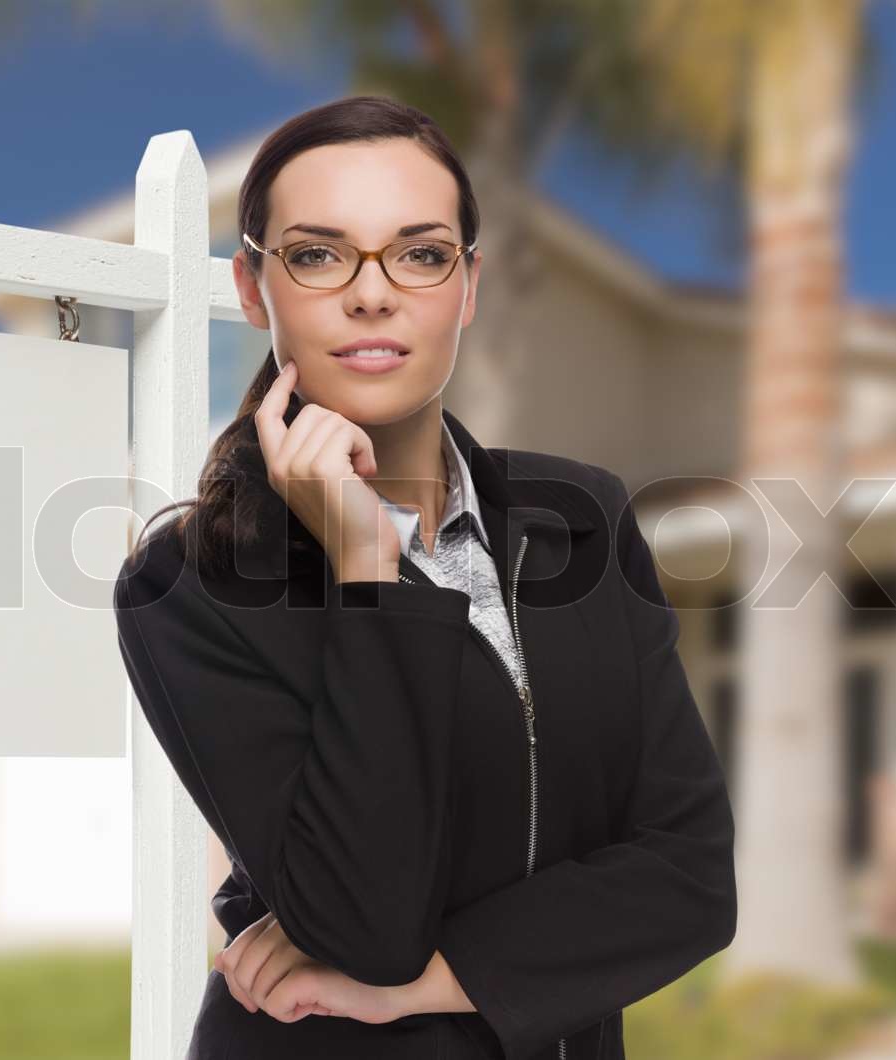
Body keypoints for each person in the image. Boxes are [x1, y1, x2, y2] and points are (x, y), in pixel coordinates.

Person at [112, 94, 736, 1060]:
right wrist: (368, 567)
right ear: (250, 288)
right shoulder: (190, 585)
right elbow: (364, 921)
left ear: (468, 285)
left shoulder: (580, 516)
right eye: (318, 255)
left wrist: (419, 988)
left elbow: (692, 878)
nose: (373, 294)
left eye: (421, 252)